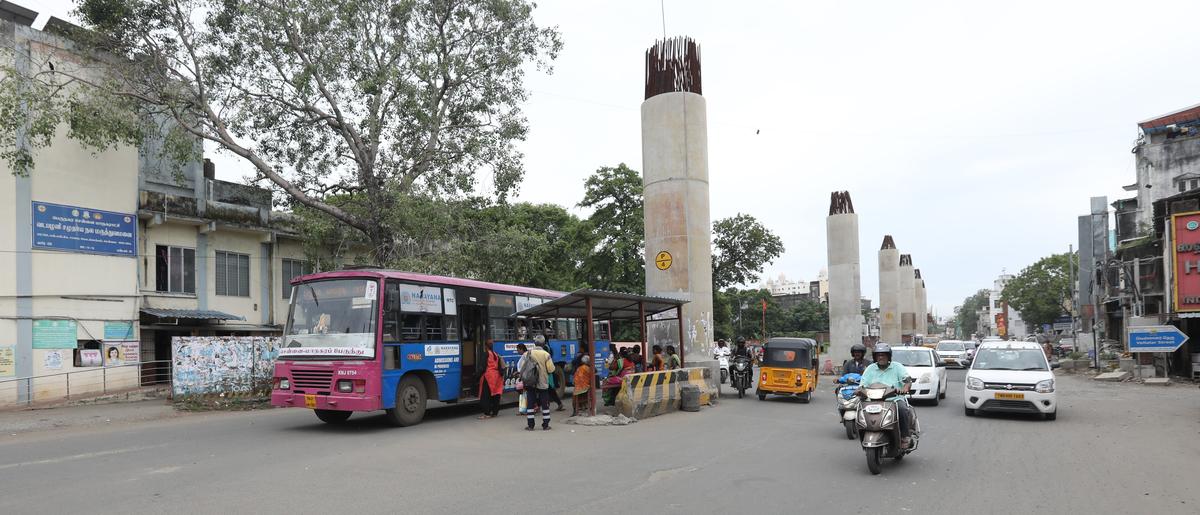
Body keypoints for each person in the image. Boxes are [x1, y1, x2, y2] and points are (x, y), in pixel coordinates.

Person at [858, 343, 915, 448]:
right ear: (875, 357)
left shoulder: (897, 367)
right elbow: (862, 384)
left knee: (902, 409)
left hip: (894, 399)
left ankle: (904, 436)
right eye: (878, 355)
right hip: (873, 400)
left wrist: (905, 388)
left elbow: (907, 380)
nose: (881, 357)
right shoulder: (870, 369)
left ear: (889, 356)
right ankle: (863, 433)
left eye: (883, 355)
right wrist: (859, 390)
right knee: (860, 409)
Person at [517, 342, 556, 431]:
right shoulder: (546, 354)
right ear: (543, 344)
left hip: (530, 382)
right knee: (544, 404)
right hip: (542, 382)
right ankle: (545, 425)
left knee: (530, 403)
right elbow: (551, 369)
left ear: (535, 344)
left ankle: (530, 425)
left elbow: (521, 368)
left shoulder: (527, 354)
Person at [535, 336, 565, 412]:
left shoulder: (545, 349)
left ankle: (541, 405)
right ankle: (558, 404)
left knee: (545, 389)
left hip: (545, 372)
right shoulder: (548, 347)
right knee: (548, 389)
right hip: (547, 372)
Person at [477, 340, 504, 419]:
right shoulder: (495, 354)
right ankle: (495, 412)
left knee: (485, 396)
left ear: (486, 346)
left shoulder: (486, 354)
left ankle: (487, 413)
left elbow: (482, 367)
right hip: (497, 377)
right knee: (495, 395)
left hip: (489, 376)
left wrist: (477, 376)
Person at [571, 344, 592, 417]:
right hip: (586, 386)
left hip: (577, 388)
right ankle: (586, 406)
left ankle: (575, 411)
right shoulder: (589, 368)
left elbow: (575, 378)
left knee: (576, 395)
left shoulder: (579, 368)